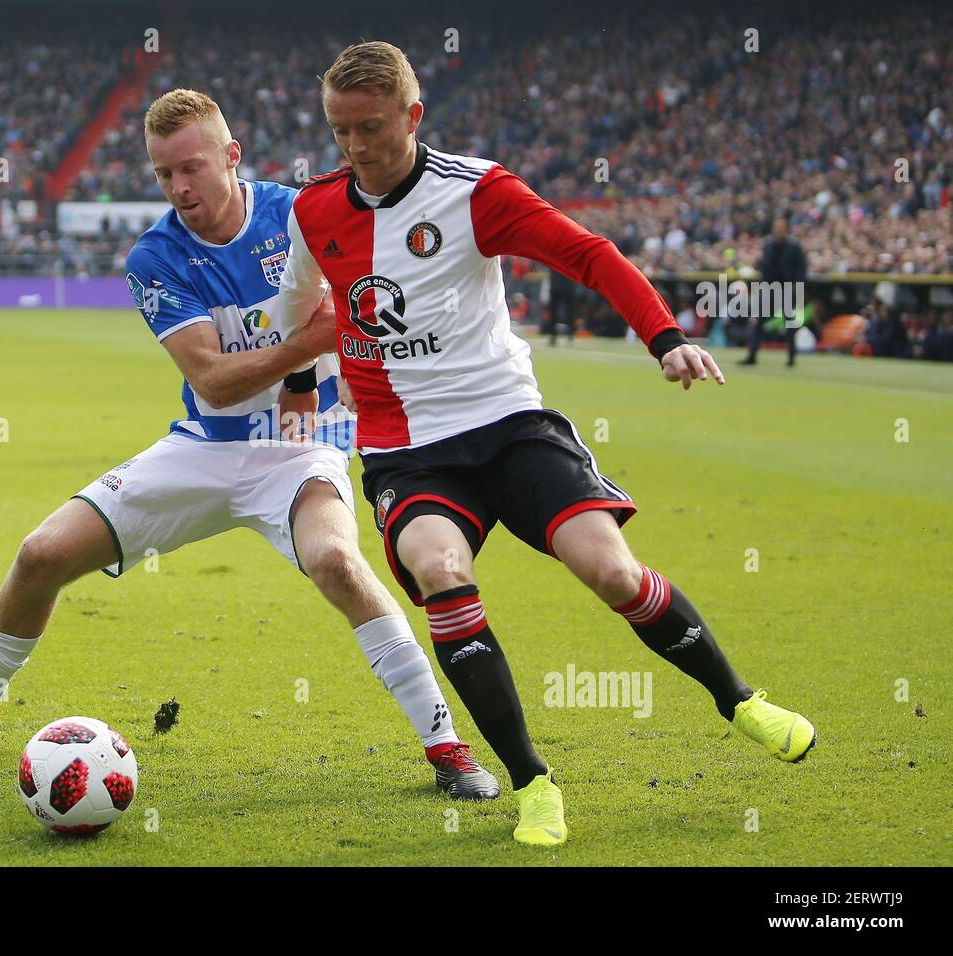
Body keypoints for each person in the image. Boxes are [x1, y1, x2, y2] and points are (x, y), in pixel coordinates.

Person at [0, 89, 500, 801]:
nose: (179, 188)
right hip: (205, 444)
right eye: (163, 174)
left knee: (335, 561)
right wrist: (312, 342)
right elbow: (217, 381)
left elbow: (365, 306)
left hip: (303, 445)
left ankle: (446, 745)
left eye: (191, 168)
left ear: (231, 156)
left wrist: (329, 360)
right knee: (41, 553)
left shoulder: (300, 214)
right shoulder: (156, 256)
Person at [276, 41, 816, 845]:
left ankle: (740, 700)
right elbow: (304, 301)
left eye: (371, 128)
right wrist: (303, 380)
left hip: (510, 425)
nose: (355, 148)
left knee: (611, 571)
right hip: (406, 450)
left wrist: (664, 337)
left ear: (414, 117)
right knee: (441, 571)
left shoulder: (479, 191)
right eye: (339, 130)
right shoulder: (314, 208)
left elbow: (588, 255)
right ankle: (532, 782)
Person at [741, 215, 807, 366]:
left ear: (786, 229)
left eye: (781, 227)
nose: (778, 230)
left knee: (789, 325)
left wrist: (796, 287)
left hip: (787, 289)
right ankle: (752, 355)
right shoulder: (768, 245)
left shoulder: (794, 247)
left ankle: (791, 357)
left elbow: (801, 270)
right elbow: (765, 268)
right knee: (759, 324)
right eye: (776, 227)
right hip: (770, 289)